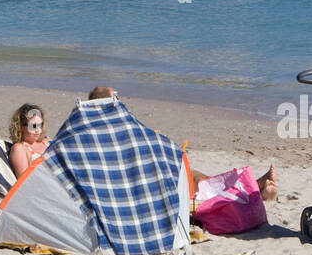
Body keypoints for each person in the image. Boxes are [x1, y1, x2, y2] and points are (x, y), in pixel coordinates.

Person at [85, 85, 277, 201]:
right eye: (116, 97)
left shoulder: (89, 132)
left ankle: (255, 187)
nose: (120, 100)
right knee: (197, 181)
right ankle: (256, 192)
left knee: (195, 177)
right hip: (145, 185)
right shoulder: (115, 129)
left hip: (140, 179)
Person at [7, 103, 50, 178]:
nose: (38, 130)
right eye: (33, 126)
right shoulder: (20, 148)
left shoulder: (48, 141)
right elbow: (24, 181)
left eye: (40, 125)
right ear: (20, 126)